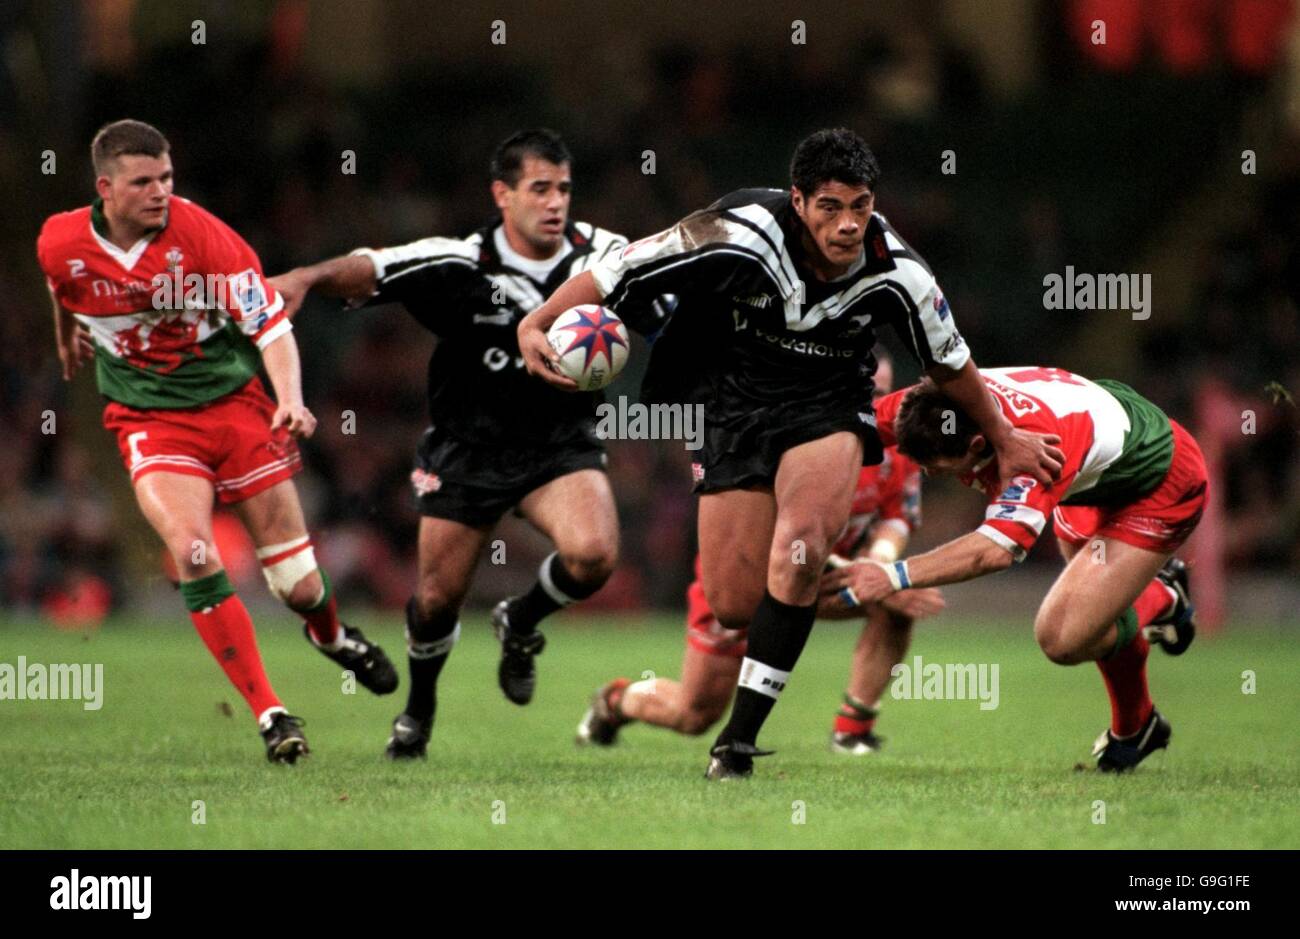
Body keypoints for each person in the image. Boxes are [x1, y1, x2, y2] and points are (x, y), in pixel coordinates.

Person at [519, 127, 1064, 779]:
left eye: (860, 206)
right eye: (831, 207)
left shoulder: (900, 270)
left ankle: (738, 745)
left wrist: (1005, 437)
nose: (847, 224)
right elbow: (616, 270)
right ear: (799, 200)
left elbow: (951, 361)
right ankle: (697, 677)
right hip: (730, 401)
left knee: (800, 548)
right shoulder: (736, 230)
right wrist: (534, 321)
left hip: (828, 399)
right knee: (731, 601)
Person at [271, 129, 665, 759]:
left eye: (563, 188)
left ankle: (521, 620)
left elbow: (672, 295)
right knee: (434, 601)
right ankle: (418, 713)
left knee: (594, 555)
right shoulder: (458, 262)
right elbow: (373, 267)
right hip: (467, 450)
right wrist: (307, 277)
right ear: (502, 194)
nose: (556, 201)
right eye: (539, 188)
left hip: (557, 447)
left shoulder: (606, 256)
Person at [36, 120, 396, 764]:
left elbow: (272, 330)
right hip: (150, 418)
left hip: (236, 409)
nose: (159, 192)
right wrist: (67, 333)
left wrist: (290, 398)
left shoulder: (205, 237)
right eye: (143, 182)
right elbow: (62, 284)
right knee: (195, 552)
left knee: (298, 587)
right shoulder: (61, 240)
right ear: (106, 188)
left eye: (167, 178)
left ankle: (336, 637)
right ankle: (271, 715)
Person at [825, 366, 1205, 771]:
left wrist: (891, 575)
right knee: (1098, 618)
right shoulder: (928, 405)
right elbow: (840, 426)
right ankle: (1136, 729)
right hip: (1099, 465)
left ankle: (1161, 593)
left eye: (936, 466)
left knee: (1063, 637)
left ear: (976, 445)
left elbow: (995, 551)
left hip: (1159, 481)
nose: (926, 473)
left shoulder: (1036, 454)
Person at [576, 352, 945, 752]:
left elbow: (897, 518)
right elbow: (777, 543)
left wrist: (881, 565)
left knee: (897, 601)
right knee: (694, 713)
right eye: (866, 393)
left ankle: (852, 729)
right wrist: (872, 575)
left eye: (884, 395)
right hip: (748, 576)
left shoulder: (896, 450)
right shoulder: (794, 442)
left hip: (823, 576)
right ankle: (618, 700)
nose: (875, 407)